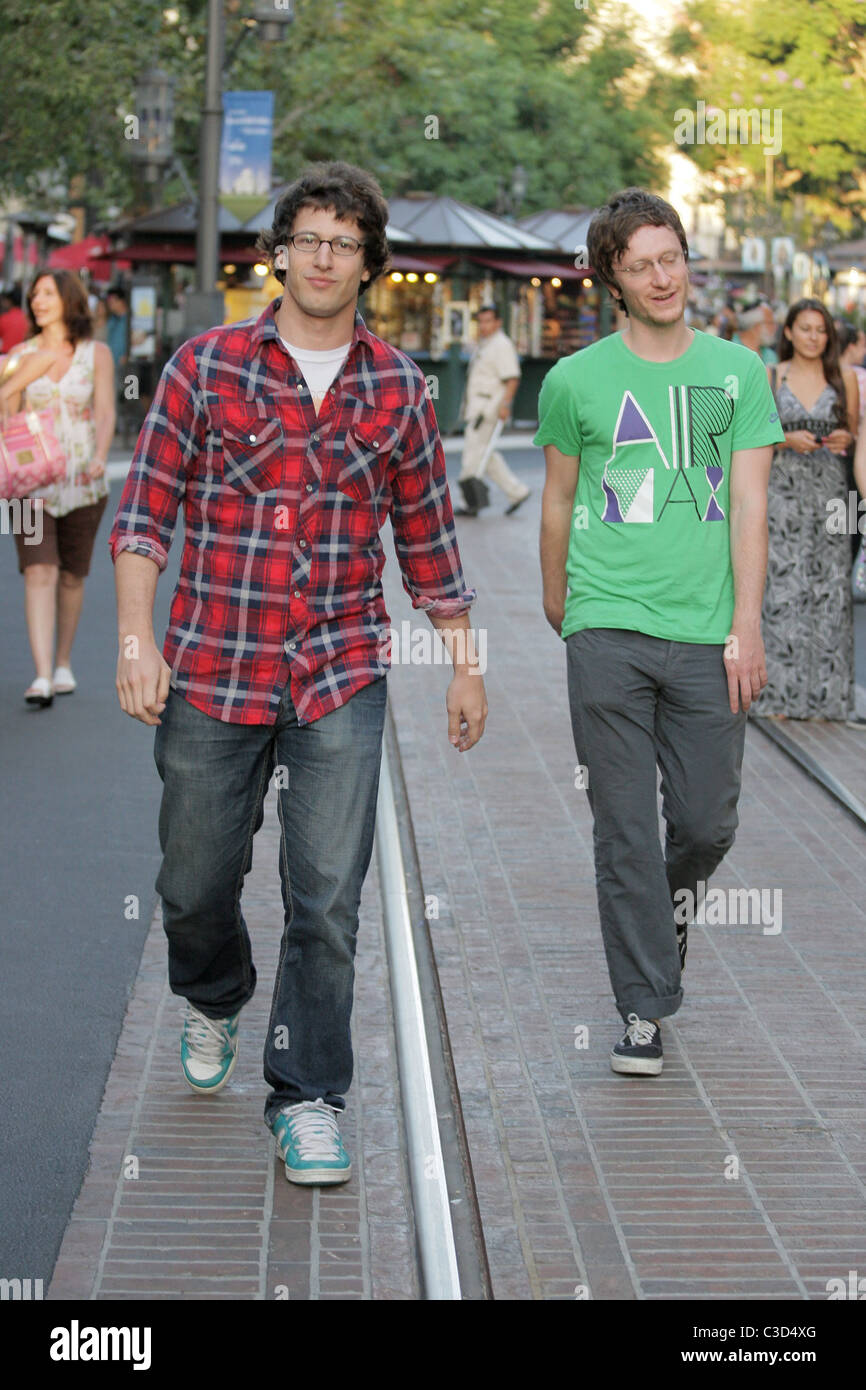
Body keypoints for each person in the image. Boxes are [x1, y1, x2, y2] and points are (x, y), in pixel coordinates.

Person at [109, 161, 486, 1186]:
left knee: (327, 898)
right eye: (308, 238)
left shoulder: (398, 390)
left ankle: (308, 1093)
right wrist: (135, 638)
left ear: (369, 263)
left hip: (339, 673)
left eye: (344, 242)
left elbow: (428, 540)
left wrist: (463, 664)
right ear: (279, 251)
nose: (324, 257)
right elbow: (143, 514)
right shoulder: (204, 368)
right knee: (193, 881)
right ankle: (214, 990)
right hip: (214, 669)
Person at [536, 187, 783, 1076]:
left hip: (710, 632)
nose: (660, 276)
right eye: (639, 265)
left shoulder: (737, 373)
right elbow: (559, 500)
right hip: (607, 623)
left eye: (669, 256)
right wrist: (561, 603)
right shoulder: (576, 381)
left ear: (687, 259)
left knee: (707, 823)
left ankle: (664, 917)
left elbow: (751, 505)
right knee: (624, 827)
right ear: (613, 279)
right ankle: (641, 1007)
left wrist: (746, 625)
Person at [0, 268, 115, 707]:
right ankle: (42, 675)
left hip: (84, 484)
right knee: (38, 571)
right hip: (27, 488)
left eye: (47, 293)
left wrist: (101, 455)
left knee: (70, 576)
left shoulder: (96, 353)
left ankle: (63, 661)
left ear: (68, 299)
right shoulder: (19, 353)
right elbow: (6, 413)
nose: (38, 300)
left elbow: (106, 411)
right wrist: (23, 374)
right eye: (34, 294)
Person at [760, 300, 861, 722]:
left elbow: (854, 434)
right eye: (804, 328)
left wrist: (843, 438)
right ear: (788, 333)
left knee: (831, 591)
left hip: (834, 495)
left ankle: (827, 699)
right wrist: (786, 440)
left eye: (820, 330)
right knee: (782, 589)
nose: (813, 337)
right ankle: (777, 697)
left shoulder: (846, 379)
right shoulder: (771, 375)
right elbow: (756, 437)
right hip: (783, 492)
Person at [455, 305, 531, 517]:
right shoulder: (486, 345)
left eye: (488, 321)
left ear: (498, 322)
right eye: (481, 321)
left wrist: (505, 405)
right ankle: (517, 492)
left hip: (487, 409)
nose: (484, 326)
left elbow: (512, 377)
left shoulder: (501, 345)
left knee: (473, 454)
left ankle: (469, 502)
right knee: (486, 455)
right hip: (478, 407)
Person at [733, 300, 778, 365]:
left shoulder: (770, 355)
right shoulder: (731, 349)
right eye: (770, 323)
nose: (775, 328)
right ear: (756, 325)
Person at [105, 286, 129, 374]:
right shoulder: (111, 320)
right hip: (111, 365)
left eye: (112, 301)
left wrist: (128, 356)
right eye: (108, 301)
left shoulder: (130, 321)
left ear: (121, 301)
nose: (109, 304)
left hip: (125, 367)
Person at [0, 285, 29, 353]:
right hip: (21, 354)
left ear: (9, 301)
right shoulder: (26, 318)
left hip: (5, 354)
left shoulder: (5, 318)